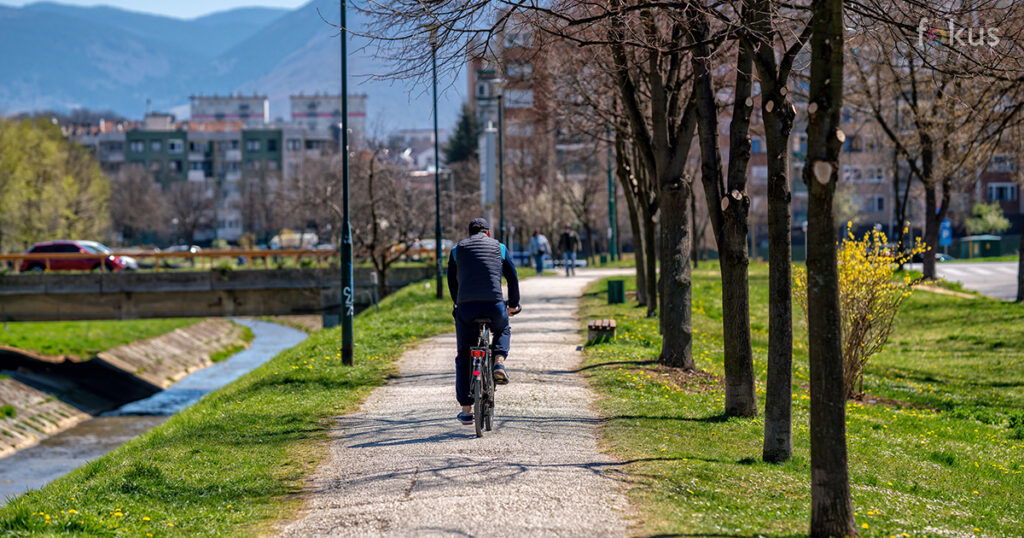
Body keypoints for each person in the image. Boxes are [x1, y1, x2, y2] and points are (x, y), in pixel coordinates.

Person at [447, 218, 521, 425]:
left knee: (463, 356)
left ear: (469, 233)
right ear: (487, 233)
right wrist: (513, 304)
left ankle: (467, 410)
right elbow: (512, 277)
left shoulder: (456, 249)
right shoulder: (500, 247)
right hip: (494, 305)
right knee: (503, 328)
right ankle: (498, 363)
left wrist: (457, 303)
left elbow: (452, 281)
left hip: (467, 307)